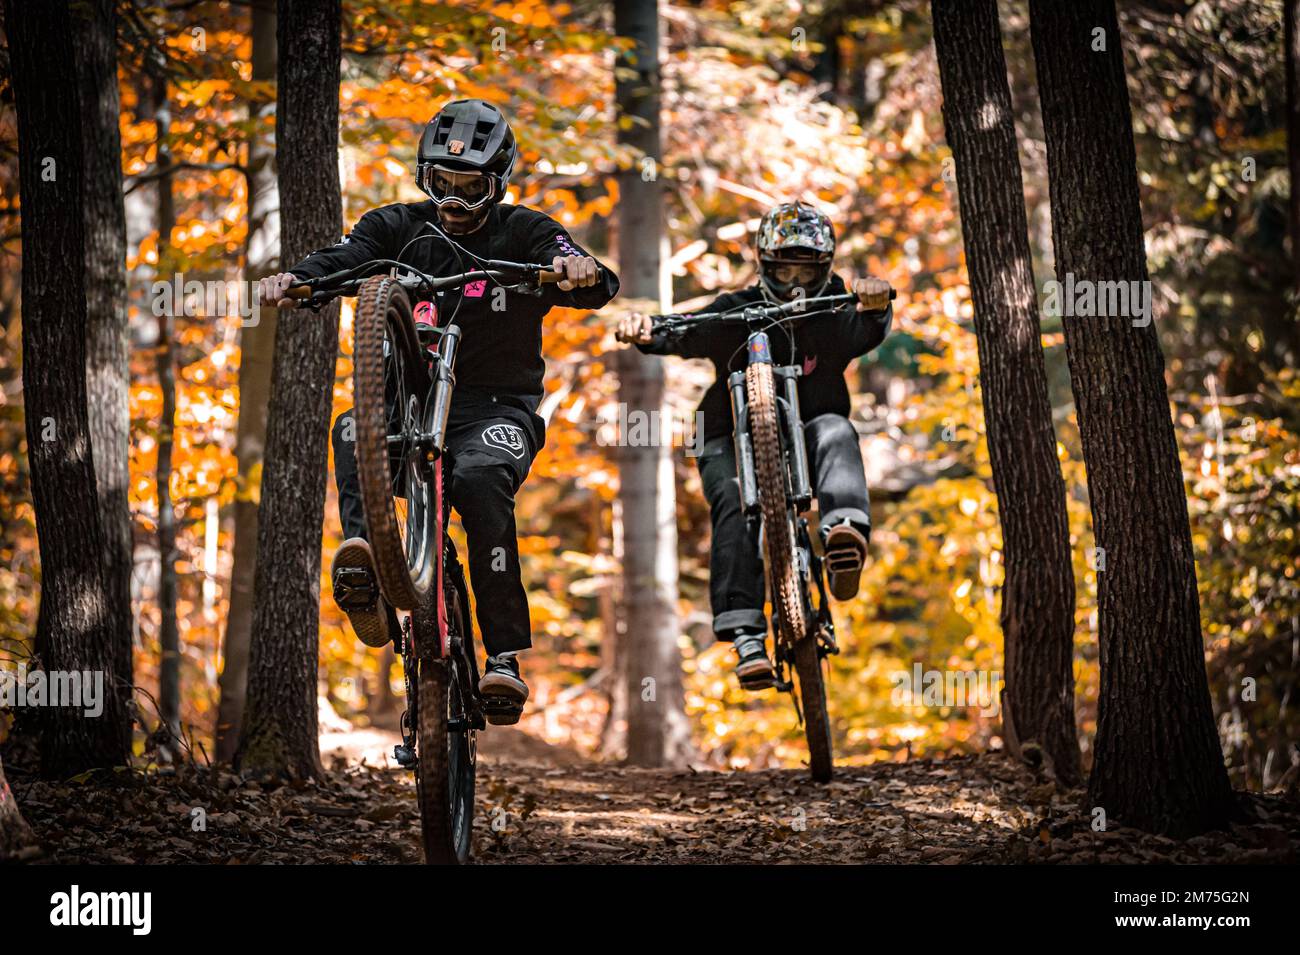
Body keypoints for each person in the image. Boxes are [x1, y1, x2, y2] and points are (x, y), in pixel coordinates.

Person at [258, 99, 619, 722]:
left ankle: (503, 657)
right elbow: (347, 258)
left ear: (497, 182)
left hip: (494, 410)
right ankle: (366, 565)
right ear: (424, 178)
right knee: (349, 429)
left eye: (469, 186)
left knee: (481, 482)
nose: (453, 198)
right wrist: (299, 280)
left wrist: (575, 270)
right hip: (408, 403)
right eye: (440, 184)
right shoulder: (397, 226)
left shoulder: (526, 230)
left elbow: (590, 275)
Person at [615, 201, 891, 689]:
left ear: (826, 269)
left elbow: (868, 324)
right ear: (764, 265)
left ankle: (844, 531)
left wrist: (876, 302)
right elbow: (685, 331)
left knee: (837, 430)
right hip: (723, 432)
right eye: (784, 269)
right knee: (732, 501)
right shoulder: (737, 310)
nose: (795, 284)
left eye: (807, 270)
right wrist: (646, 331)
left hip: (811, 426)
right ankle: (746, 635)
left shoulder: (835, 311)